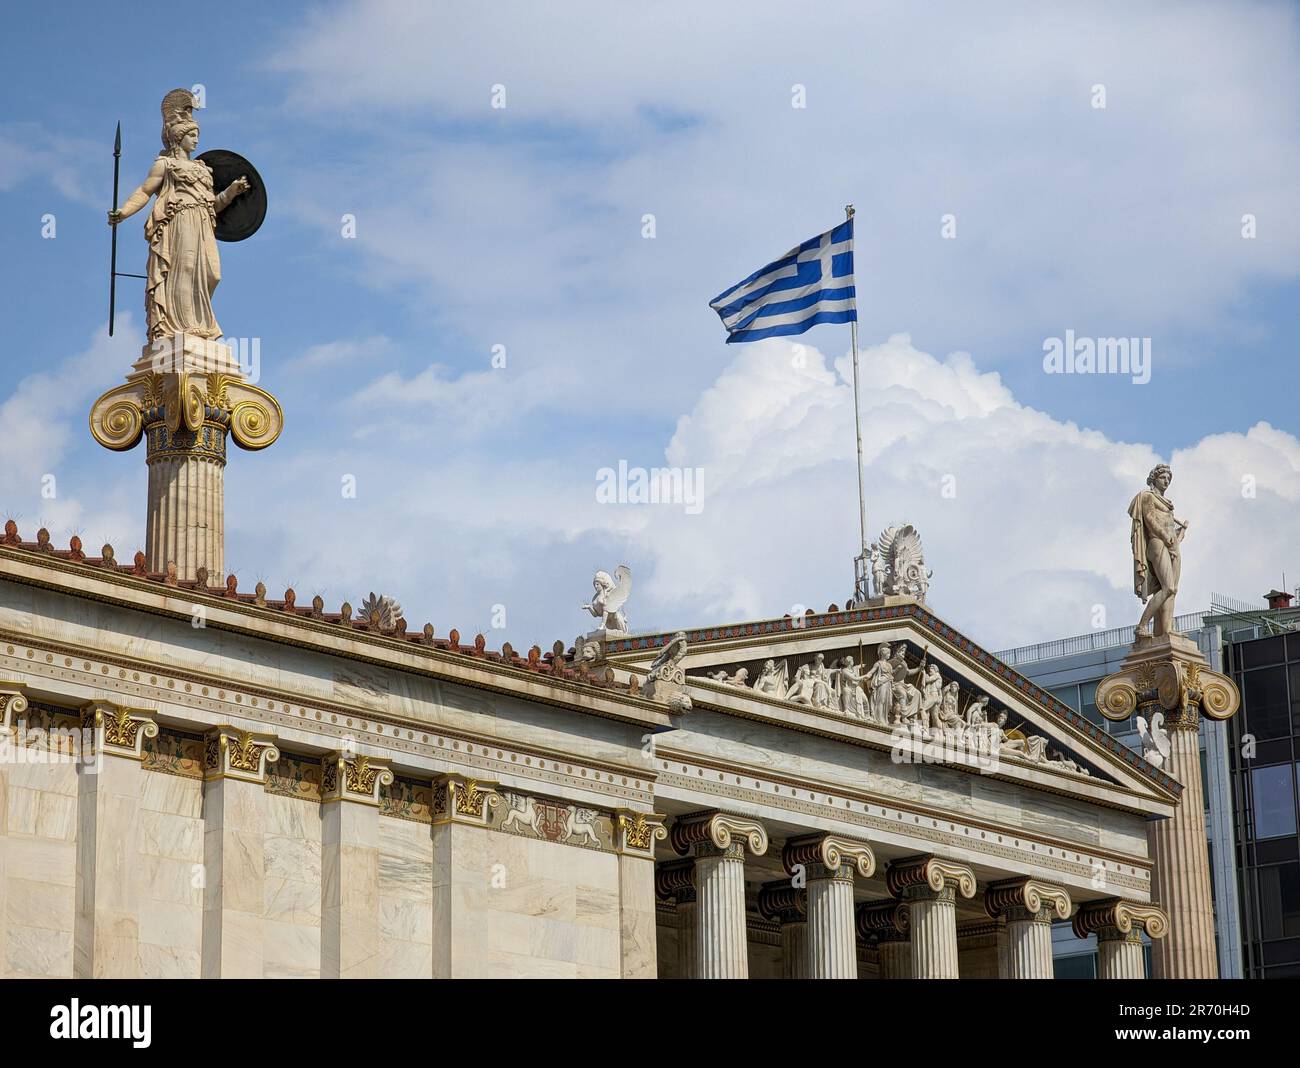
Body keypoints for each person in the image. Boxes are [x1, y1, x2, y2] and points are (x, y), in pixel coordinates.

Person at [107, 89, 250, 342]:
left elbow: (212, 205)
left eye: (197, 135)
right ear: (179, 137)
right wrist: (123, 212)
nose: (196, 141)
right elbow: (144, 190)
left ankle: (197, 322)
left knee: (211, 274)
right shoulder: (165, 165)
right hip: (179, 220)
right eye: (192, 135)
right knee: (182, 270)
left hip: (203, 222)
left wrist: (231, 192)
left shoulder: (202, 168)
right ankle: (181, 328)